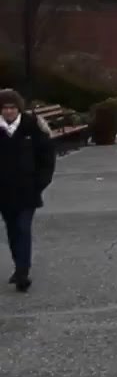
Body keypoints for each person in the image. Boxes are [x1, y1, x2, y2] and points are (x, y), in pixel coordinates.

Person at [0, 89, 55, 292]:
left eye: (12, 108)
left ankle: (23, 271)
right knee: (12, 229)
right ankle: (19, 264)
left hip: (27, 189)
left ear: (19, 109)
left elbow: (47, 157)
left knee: (23, 227)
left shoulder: (32, 127)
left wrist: (40, 183)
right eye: (5, 108)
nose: (9, 112)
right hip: (4, 191)